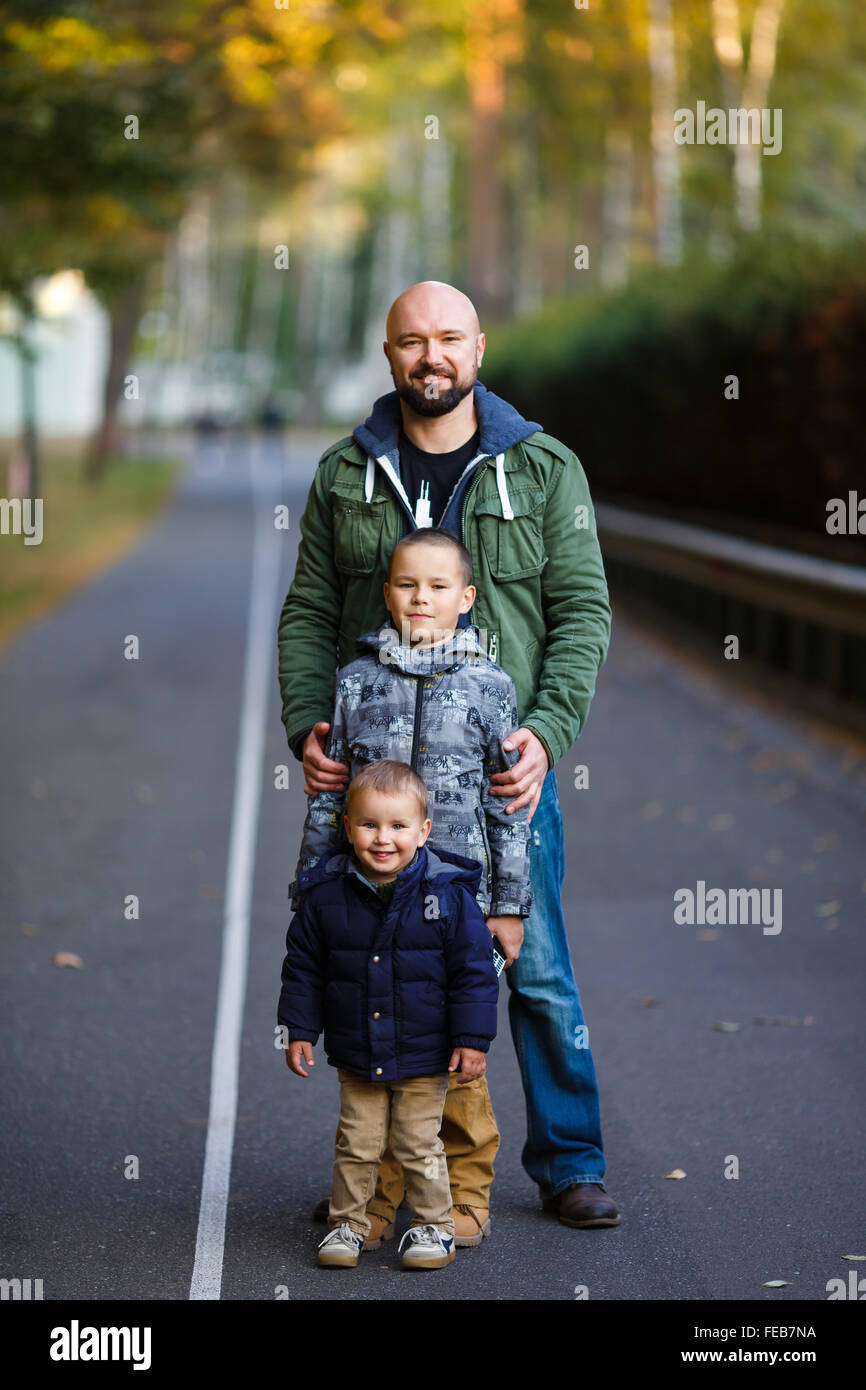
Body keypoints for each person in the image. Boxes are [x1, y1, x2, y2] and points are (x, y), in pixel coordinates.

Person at [277, 279, 620, 1232]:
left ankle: (569, 1163)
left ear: (479, 349)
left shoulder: (546, 470)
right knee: (372, 973)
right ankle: (378, 1183)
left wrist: (546, 735)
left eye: (449, 339)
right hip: (373, 787)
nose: (432, 356)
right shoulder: (346, 474)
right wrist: (307, 721)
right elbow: (309, 610)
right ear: (389, 355)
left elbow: (582, 613)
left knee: (535, 969)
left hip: (498, 780)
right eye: (412, 340)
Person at [289, 525, 532, 1243]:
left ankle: (464, 1197)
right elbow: (330, 800)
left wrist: (509, 906)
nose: (419, 598)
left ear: (466, 597)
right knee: (379, 1038)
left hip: (459, 902)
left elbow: (507, 808)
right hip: (365, 897)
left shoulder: (491, 688)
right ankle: (379, 1202)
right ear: (387, 592)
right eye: (405, 584)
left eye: (435, 586)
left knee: (456, 1053)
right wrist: (310, 889)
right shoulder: (357, 682)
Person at [278, 760, 499, 1269]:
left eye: (398, 826)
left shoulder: (448, 896)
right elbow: (305, 968)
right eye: (369, 824)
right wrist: (299, 1030)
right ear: (349, 827)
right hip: (358, 1049)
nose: (383, 839)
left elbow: (473, 974)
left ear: (422, 832)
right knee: (357, 1141)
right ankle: (349, 1225)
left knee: (418, 1141)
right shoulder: (326, 897)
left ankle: (432, 1226)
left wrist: (472, 1039)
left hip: (425, 1051)